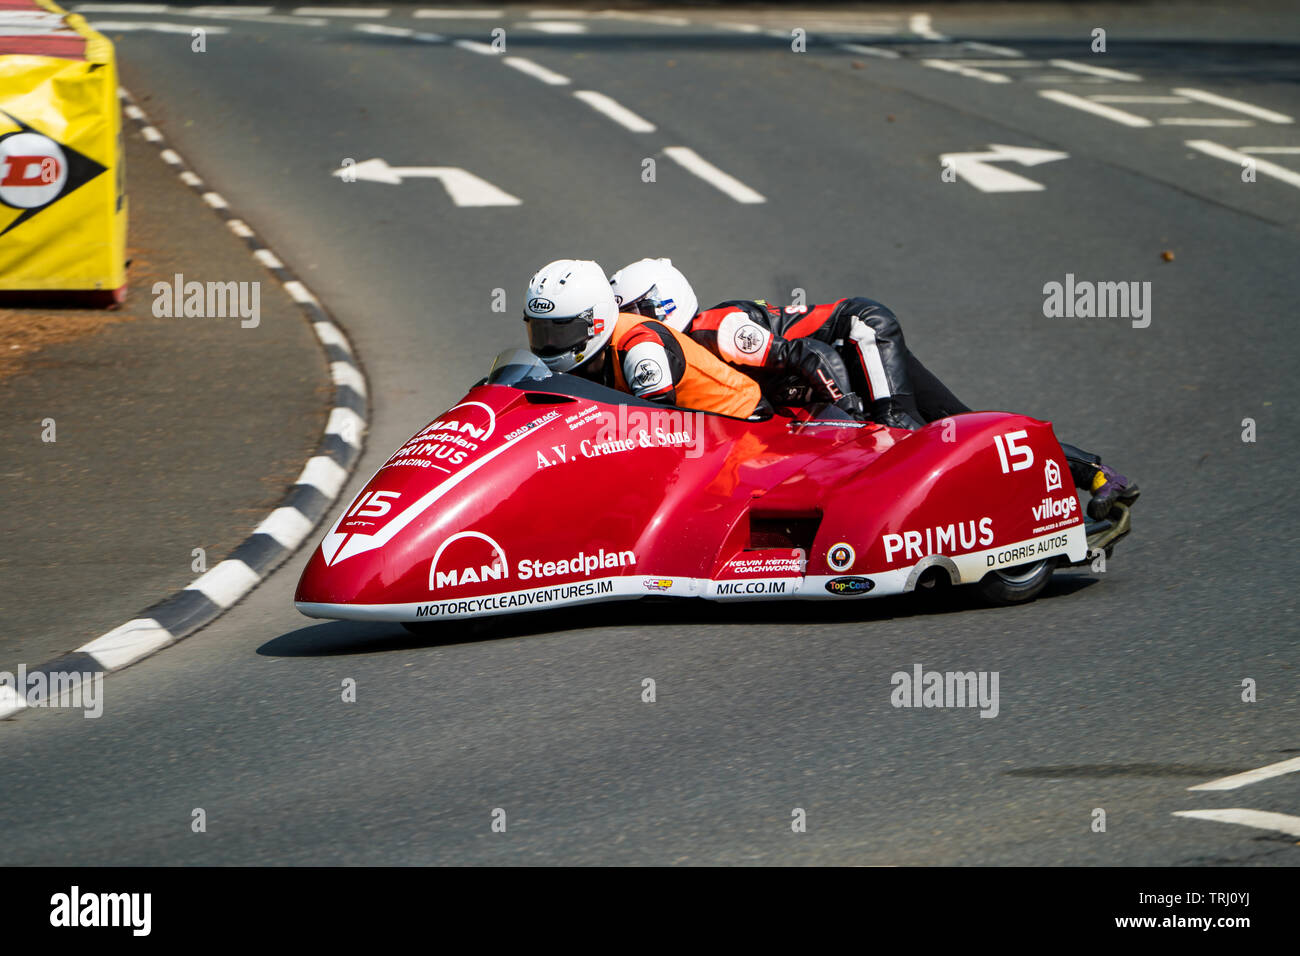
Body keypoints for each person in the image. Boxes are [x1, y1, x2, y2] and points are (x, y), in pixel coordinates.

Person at [609, 258, 1139, 520]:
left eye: (631, 313)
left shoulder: (714, 330)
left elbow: (810, 354)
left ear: (658, 308)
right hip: (858, 351)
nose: (625, 329)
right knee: (958, 428)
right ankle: (1093, 475)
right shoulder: (693, 347)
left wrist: (849, 412)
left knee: (896, 434)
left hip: (860, 333)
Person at [521, 259, 765, 420]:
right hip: (696, 428)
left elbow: (656, 428)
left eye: (561, 331)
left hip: (739, 420)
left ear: (595, 322)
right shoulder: (583, 360)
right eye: (542, 332)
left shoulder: (640, 345)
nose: (550, 344)